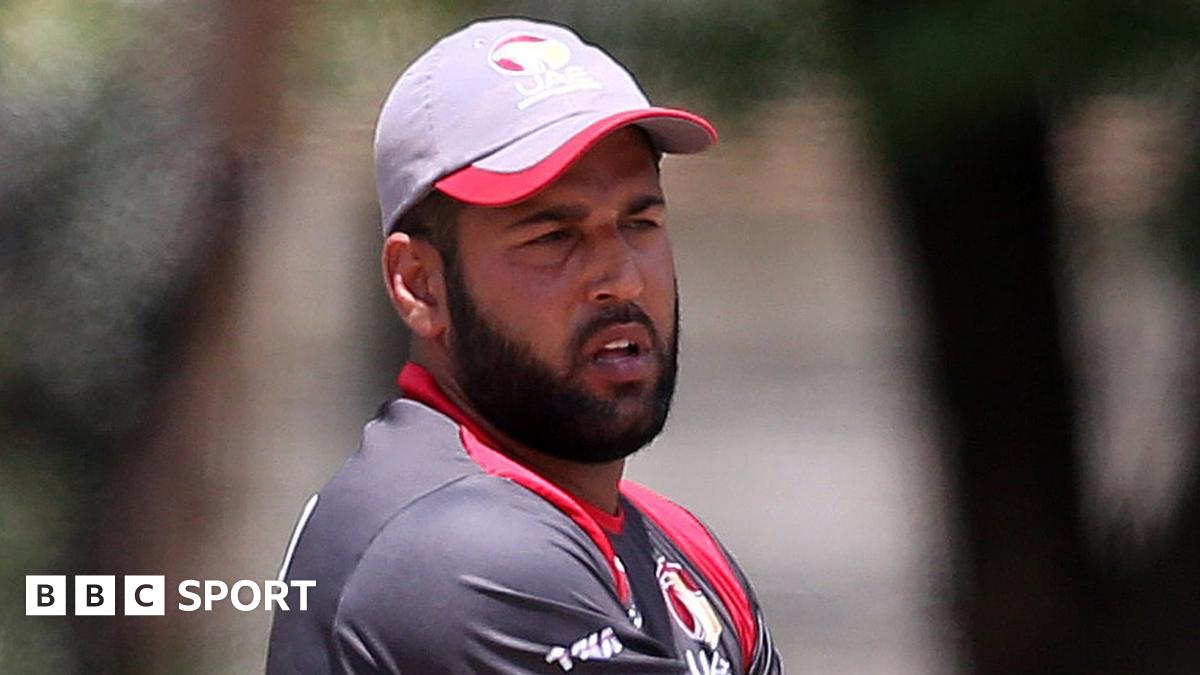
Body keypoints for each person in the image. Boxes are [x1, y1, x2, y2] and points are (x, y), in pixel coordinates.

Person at [267, 16, 781, 675]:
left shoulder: (680, 549)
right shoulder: (454, 549)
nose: (621, 277)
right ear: (420, 285)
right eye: (552, 236)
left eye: (640, 220)